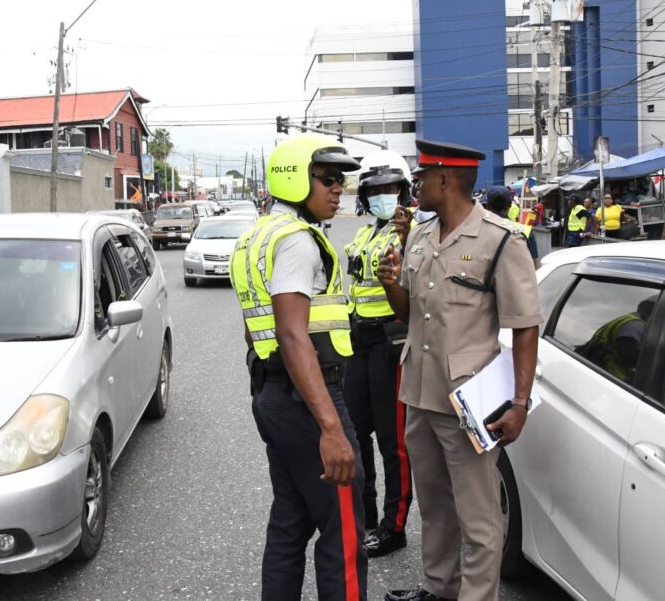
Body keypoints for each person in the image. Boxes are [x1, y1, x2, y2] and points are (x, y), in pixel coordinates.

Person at [378, 139, 541, 601]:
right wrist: (391, 285)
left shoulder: (500, 240)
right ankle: (439, 587)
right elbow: (406, 312)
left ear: (445, 179)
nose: (415, 188)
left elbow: (525, 327)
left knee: (480, 519)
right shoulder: (421, 235)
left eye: (420, 178)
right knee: (434, 505)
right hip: (419, 393)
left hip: (469, 401)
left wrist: (521, 404)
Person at [229, 133, 367, 600]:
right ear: (293, 180)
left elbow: (256, 329)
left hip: (274, 395)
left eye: (341, 181)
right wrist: (331, 428)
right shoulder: (298, 242)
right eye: (328, 179)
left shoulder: (257, 235)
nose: (338, 189)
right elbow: (291, 334)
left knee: (291, 519)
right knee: (344, 525)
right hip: (309, 401)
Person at [342, 155, 415, 558]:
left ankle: (395, 526)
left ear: (403, 191)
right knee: (355, 432)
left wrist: (407, 236)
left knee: (394, 442)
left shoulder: (411, 232)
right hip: (359, 342)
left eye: (390, 189)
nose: (383, 197)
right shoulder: (367, 234)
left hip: (391, 345)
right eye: (375, 191)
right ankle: (366, 516)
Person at [483, 187, 539, 269]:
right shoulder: (525, 231)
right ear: (509, 205)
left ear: (488, 206)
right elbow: (533, 266)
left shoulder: (479, 230)